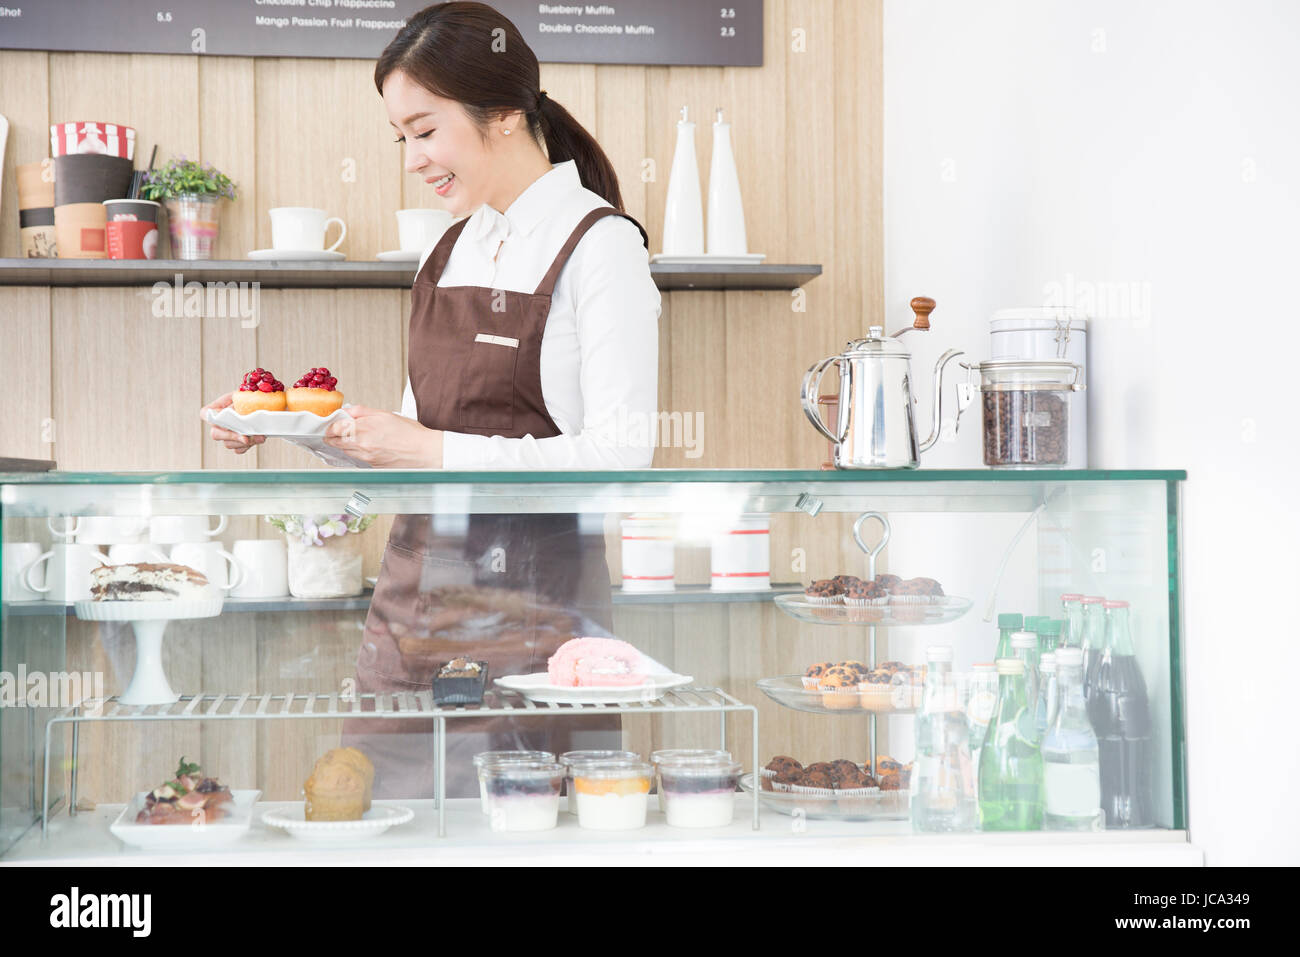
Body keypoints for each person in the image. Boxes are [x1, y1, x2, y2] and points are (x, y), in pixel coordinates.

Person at [202, 1, 660, 797]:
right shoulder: (447, 248)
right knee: (382, 819)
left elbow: (623, 451)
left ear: (507, 114)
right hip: (414, 611)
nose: (412, 158)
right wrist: (284, 424)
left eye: (425, 129)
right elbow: (411, 442)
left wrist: (432, 448)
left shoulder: (602, 246)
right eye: (401, 137)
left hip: (535, 617)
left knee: (519, 828)